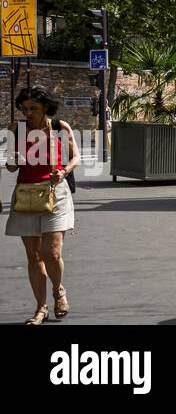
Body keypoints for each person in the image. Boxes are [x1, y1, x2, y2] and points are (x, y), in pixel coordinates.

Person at [5, 86, 79, 325]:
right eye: (24, 108)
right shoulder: (17, 129)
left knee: (52, 252)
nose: (28, 113)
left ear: (45, 107)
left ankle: (58, 290)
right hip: (26, 194)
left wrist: (64, 171)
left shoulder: (59, 127)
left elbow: (75, 156)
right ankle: (41, 307)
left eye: (33, 108)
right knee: (34, 255)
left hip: (55, 193)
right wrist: (14, 160)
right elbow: (10, 166)